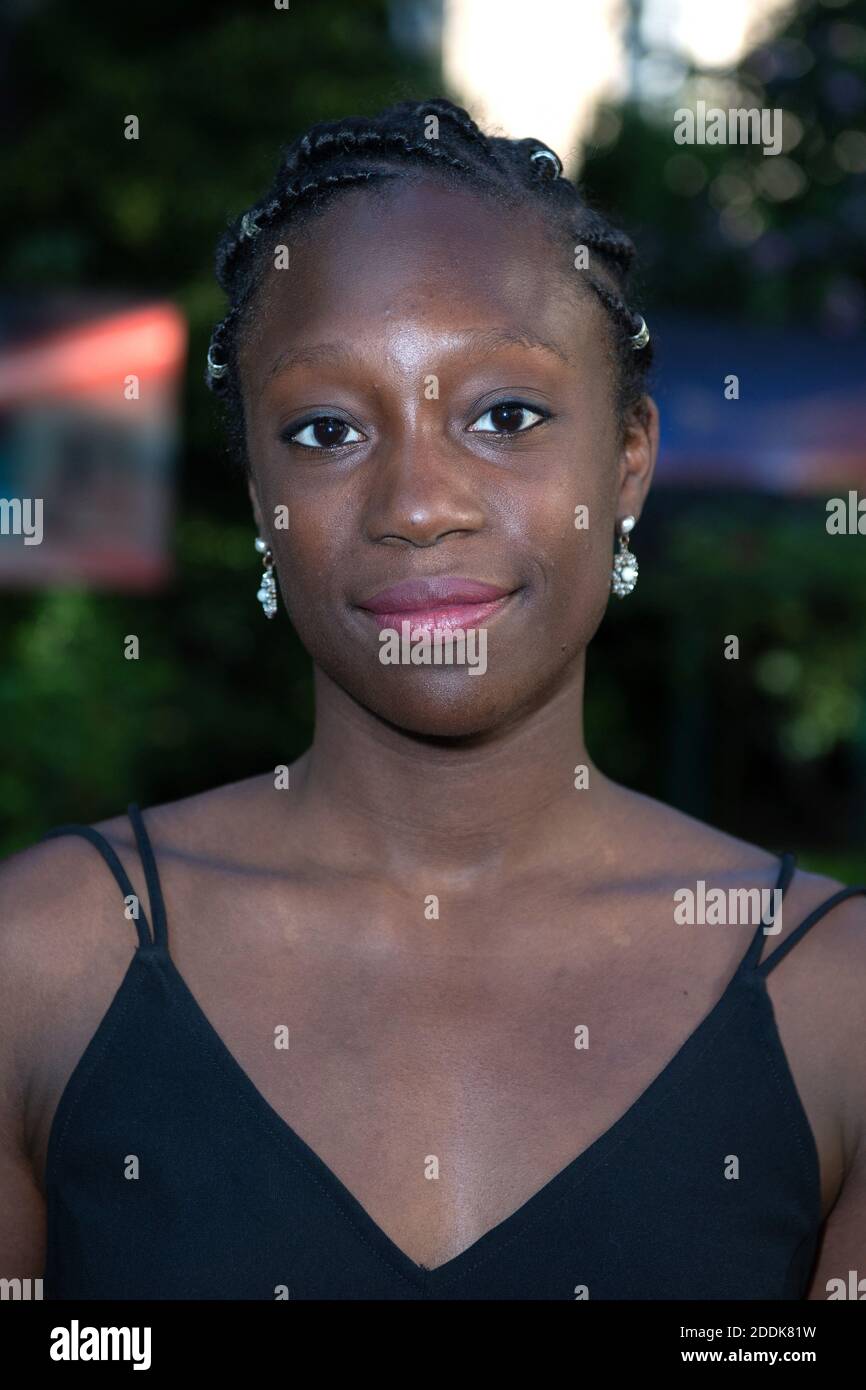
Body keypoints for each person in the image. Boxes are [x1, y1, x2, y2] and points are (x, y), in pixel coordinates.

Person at [1, 98, 864, 1301]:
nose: (418, 500)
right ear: (259, 495)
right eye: (324, 428)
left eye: (504, 416)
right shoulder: (42, 965)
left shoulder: (834, 1004)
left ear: (627, 457)